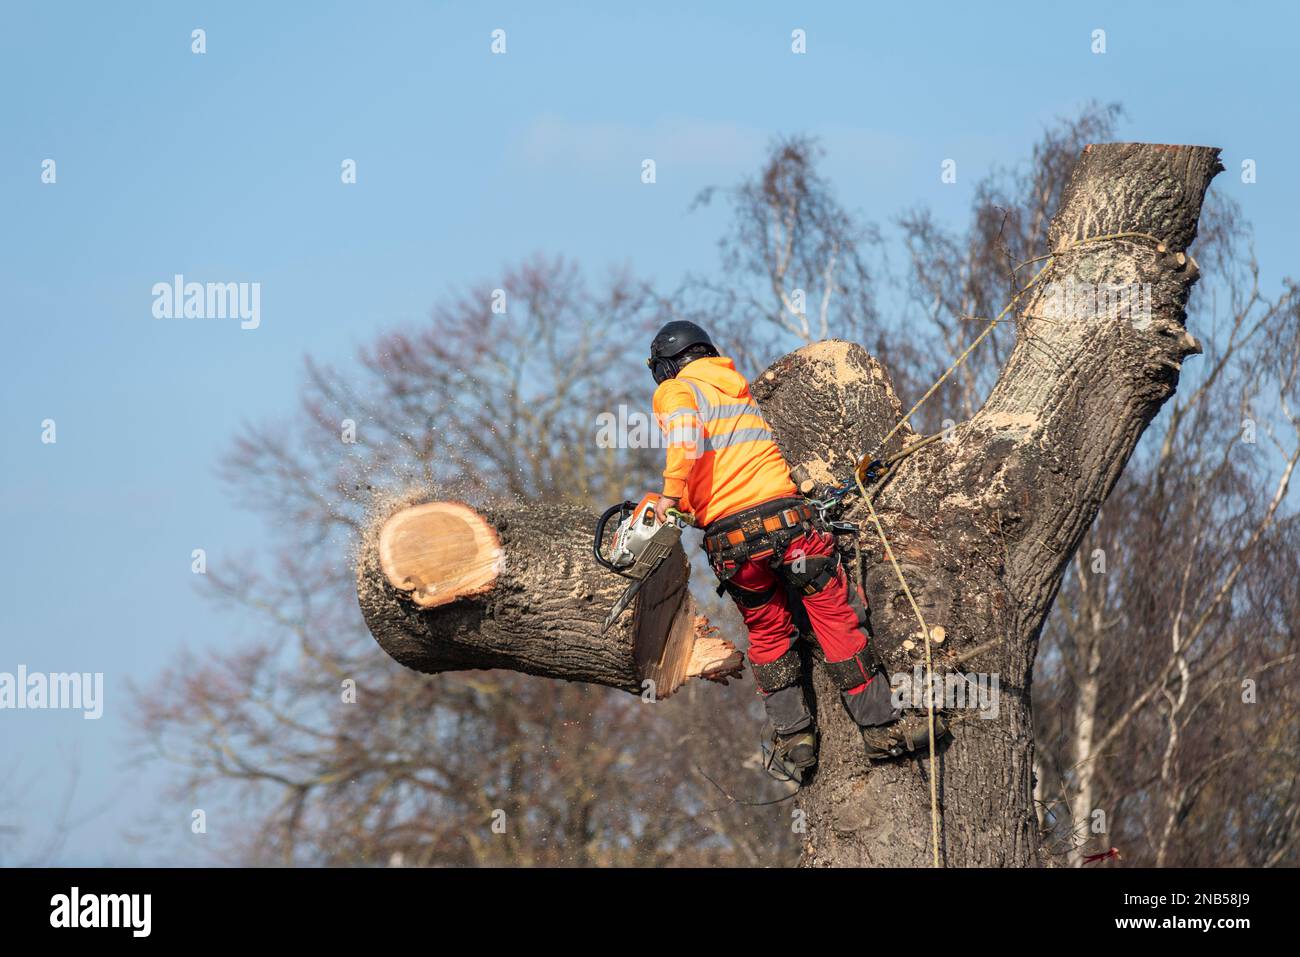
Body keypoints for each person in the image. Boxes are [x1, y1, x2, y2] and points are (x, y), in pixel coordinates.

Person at [648, 320, 944, 771]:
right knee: (833, 615)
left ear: (667, 365)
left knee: (767, 631)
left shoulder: (675, 389)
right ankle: (883, 729)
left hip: (732, 543)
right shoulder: (738, 392)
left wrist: (670, 500)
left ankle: (795, 741)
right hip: (789, 527)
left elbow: (686, 441)